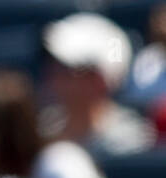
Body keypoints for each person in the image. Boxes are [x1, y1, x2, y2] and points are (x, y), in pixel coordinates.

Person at [40, 12, 155, 160]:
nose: (53, 75)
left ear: (100, 80)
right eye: (53, 64)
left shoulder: (132, 142)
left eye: (67, 69)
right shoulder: (41, 131)